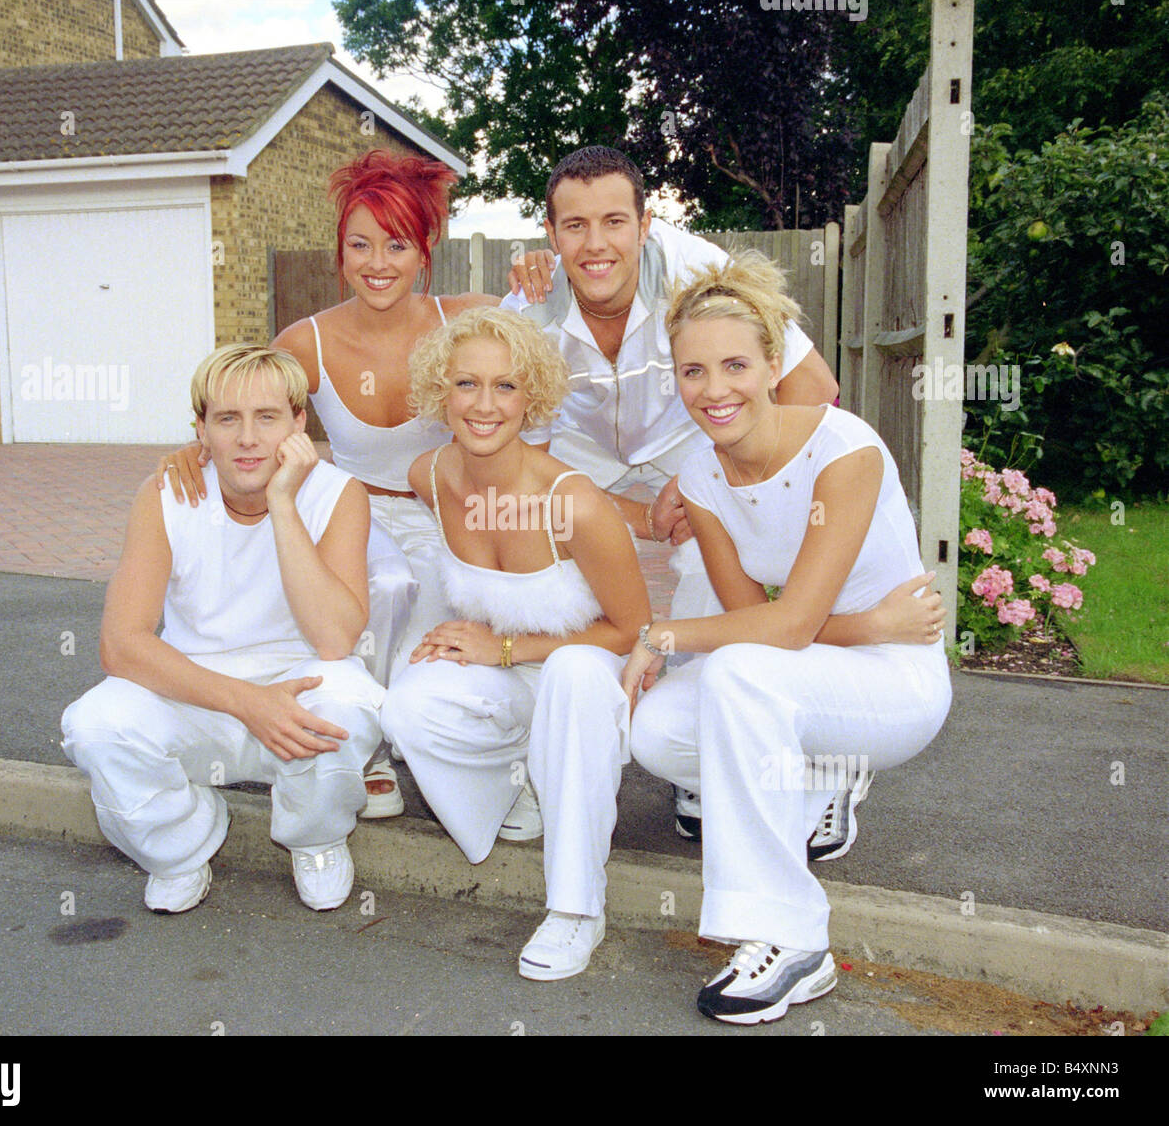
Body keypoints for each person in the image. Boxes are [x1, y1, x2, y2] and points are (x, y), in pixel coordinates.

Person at [621, 258, 952, 1024]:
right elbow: (756, 621)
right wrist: (865, 621)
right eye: (693, 371)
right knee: (660, 733)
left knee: (737, 677)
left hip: (892, 682)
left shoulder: (846, 451)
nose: (715, 390)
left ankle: (790, 937)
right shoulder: (701, 477)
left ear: (775, 363)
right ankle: (817, 780)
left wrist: (664, 631)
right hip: (815, 661)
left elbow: (782, 628)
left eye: (736, 364)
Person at [501, 145, 843, 840]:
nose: (595, 245)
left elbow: (814, 390)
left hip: (693, 440)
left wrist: (717, 484)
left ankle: (708, 760)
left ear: (646, 222)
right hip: (581, 462)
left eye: (613, 222)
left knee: (709, 566)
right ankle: (544, 763)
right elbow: (519, 467)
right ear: (550, 231)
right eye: (574, 227)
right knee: (539, 555)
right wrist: (632, 519)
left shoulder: (697, 272)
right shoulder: (527, 308)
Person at [158, 149, 499, 821]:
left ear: (425, 249)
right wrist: (194, 446)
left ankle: (457, 756)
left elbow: (544, 358)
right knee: (388, 587)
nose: (378, 262)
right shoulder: (305, 341)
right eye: (360, 244)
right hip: (356, 519)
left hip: (447, 518)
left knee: (455, 634)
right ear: (339, 254)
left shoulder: (464, 319)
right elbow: (242, 402)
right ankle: (364, 750)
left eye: (397, 243)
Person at [379, 306, 652, 981]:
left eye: (506, 386)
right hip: (509, 670)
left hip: (591, 673)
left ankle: (577, 908)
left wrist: (502, 651)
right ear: (439, 393)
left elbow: (635, 631)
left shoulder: (576, 503)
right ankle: (522, 778)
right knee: (408, 707)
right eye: (465, 384)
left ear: (533, 397)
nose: (484, 404)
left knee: (576, 676)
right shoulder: (429, 477)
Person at [62, 345, 384, 915]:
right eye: (227, 419)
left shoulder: (338, 494)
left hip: (295, 692)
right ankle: (182, 843)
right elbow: (122, 644)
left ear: (298, 424)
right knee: (94, 725)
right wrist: (247, 703)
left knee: (351, 702)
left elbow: (334, 640)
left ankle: (314, 837)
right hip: (201, 693)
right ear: (201, 430)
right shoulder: (165, 493)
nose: (248, 438)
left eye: (268, 417)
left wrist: (283, 503)